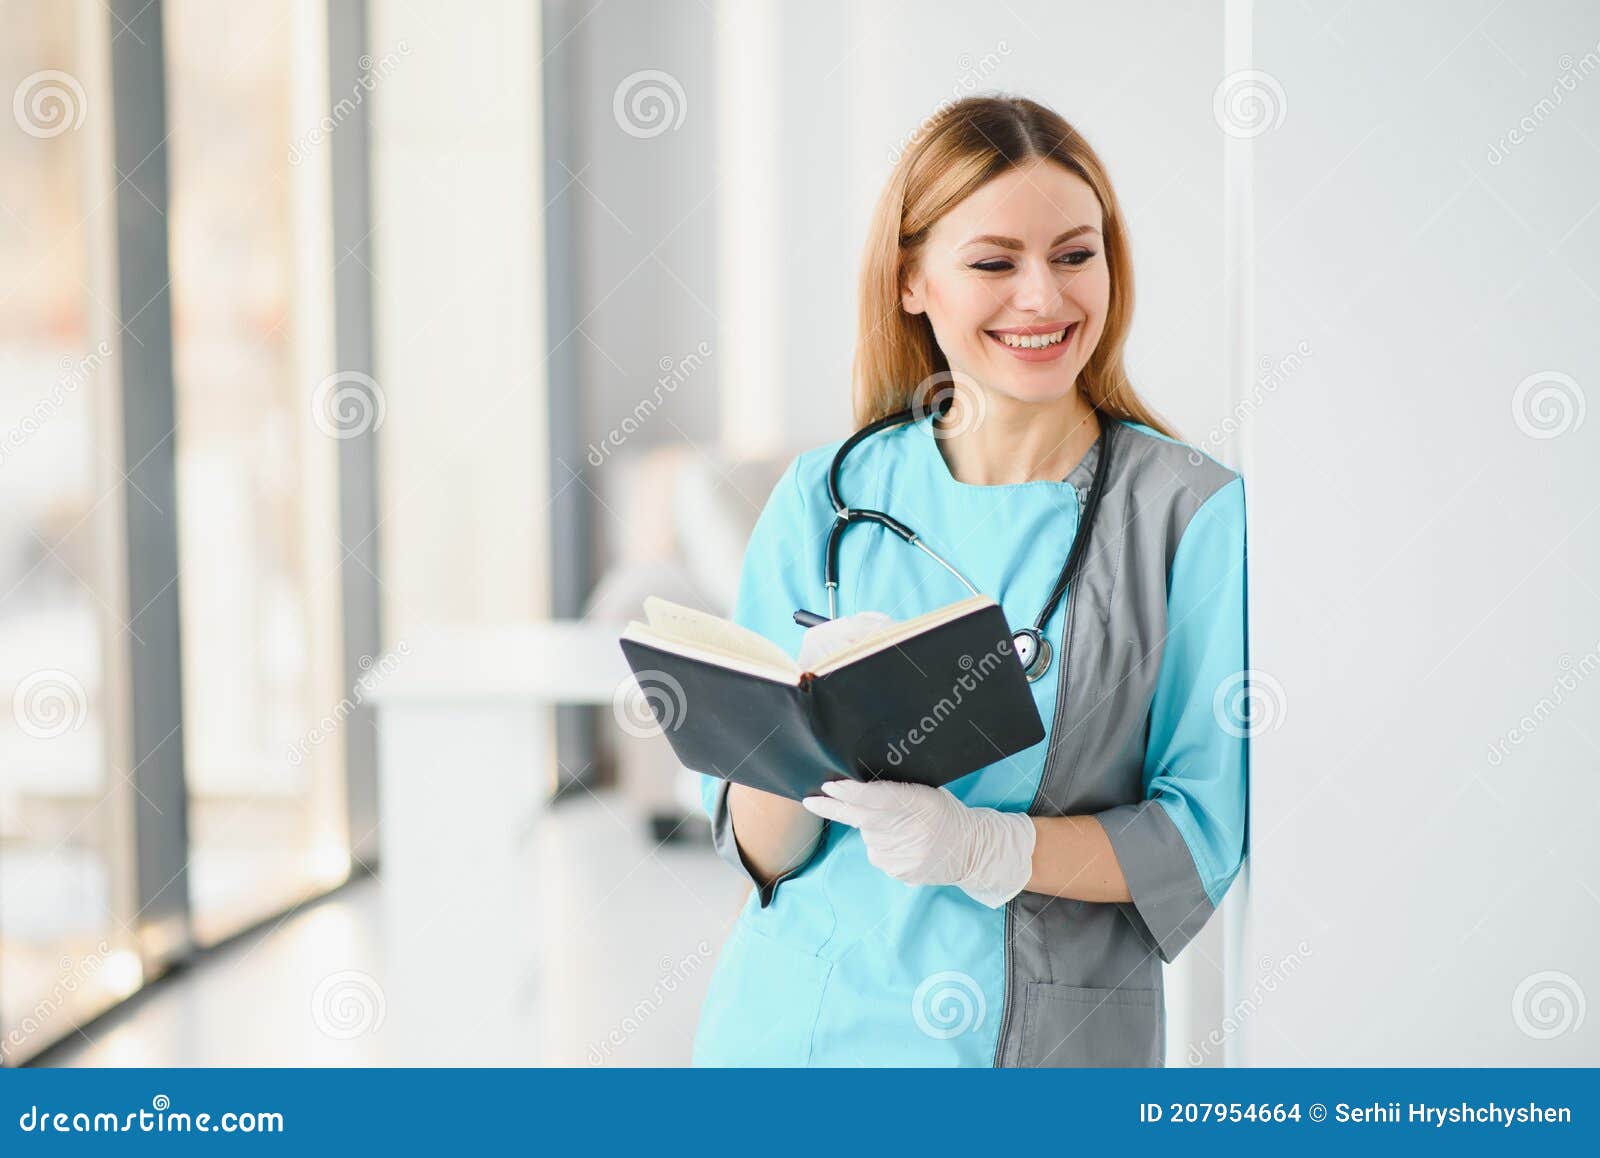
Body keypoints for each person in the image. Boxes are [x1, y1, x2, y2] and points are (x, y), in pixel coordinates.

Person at [691, 95, 1249, 1067]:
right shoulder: (826, 493)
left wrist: (991, 849)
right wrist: (801, 726)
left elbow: (1203, 828)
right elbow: (765, 855)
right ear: (912, 281)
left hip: (1036, 1047)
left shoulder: (1189, 510)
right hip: (796, 1035)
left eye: (1075, 255)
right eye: (994, 263)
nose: (1043, 298)